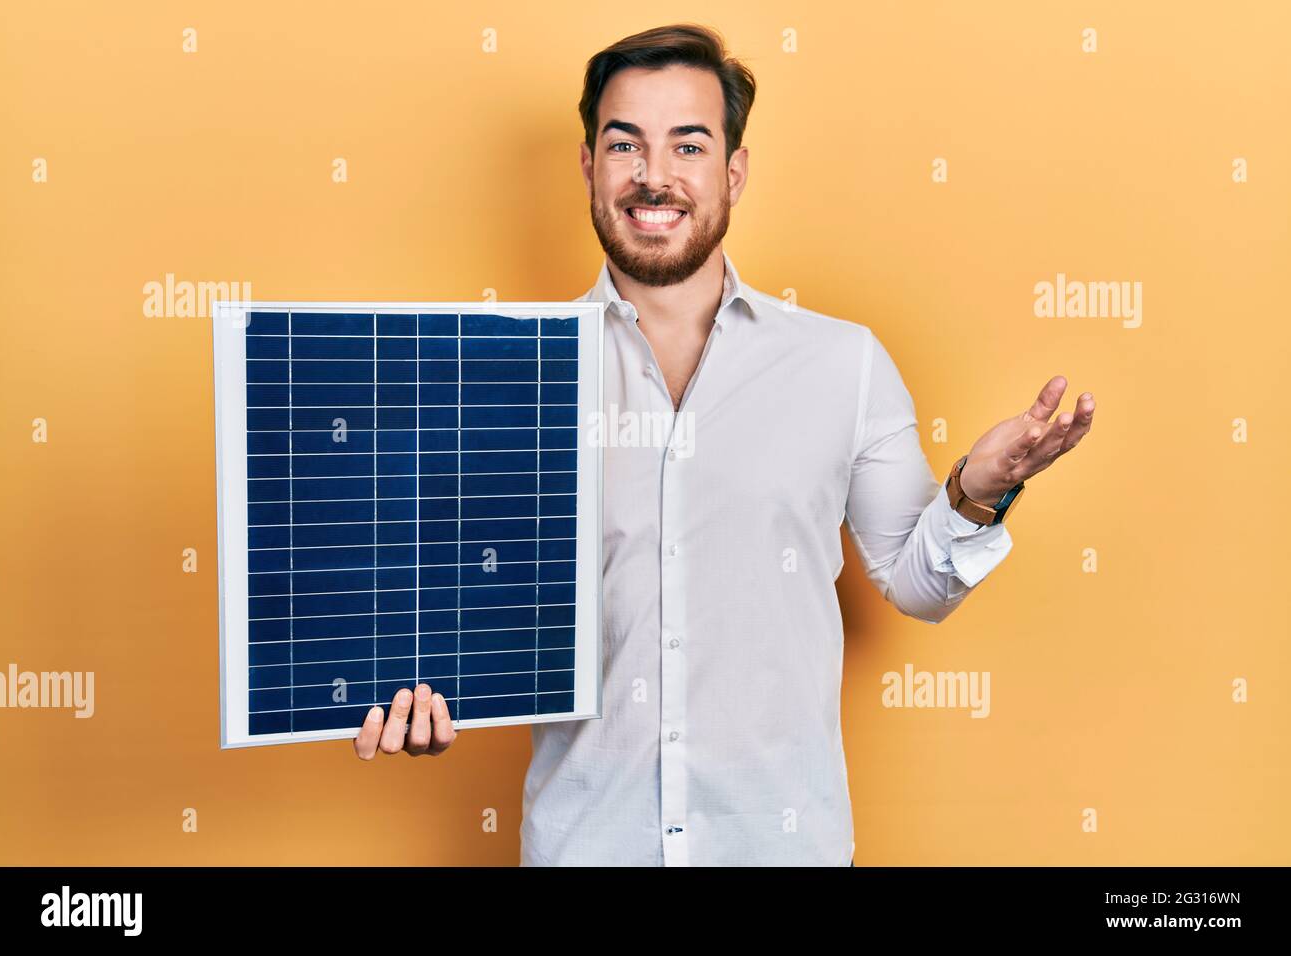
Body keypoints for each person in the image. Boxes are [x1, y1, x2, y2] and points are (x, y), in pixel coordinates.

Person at [350, 23, 1096, 866]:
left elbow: (920, 586)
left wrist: (976, 491)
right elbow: (448, 613)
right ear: (589, 166)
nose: (653, 176)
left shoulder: (841, 364)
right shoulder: (500, 380)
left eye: (688, 145)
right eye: (623, 142)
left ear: (733, 172)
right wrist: (418, 695)